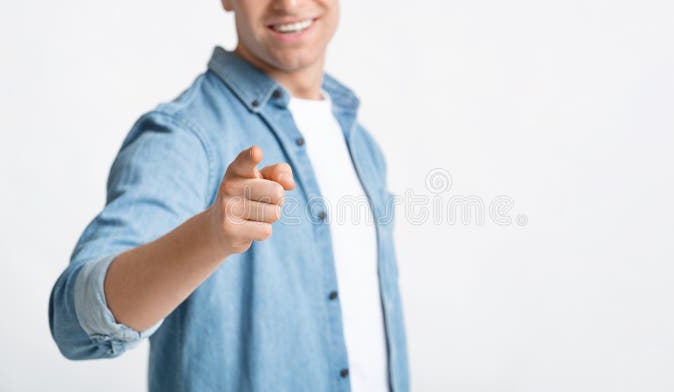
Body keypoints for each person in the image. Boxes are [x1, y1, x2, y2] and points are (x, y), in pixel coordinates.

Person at [48, 0, 409, 390]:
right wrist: (209, 237)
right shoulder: (183, 137)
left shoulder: (359, 140)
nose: (288, 3)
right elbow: (75, 325)